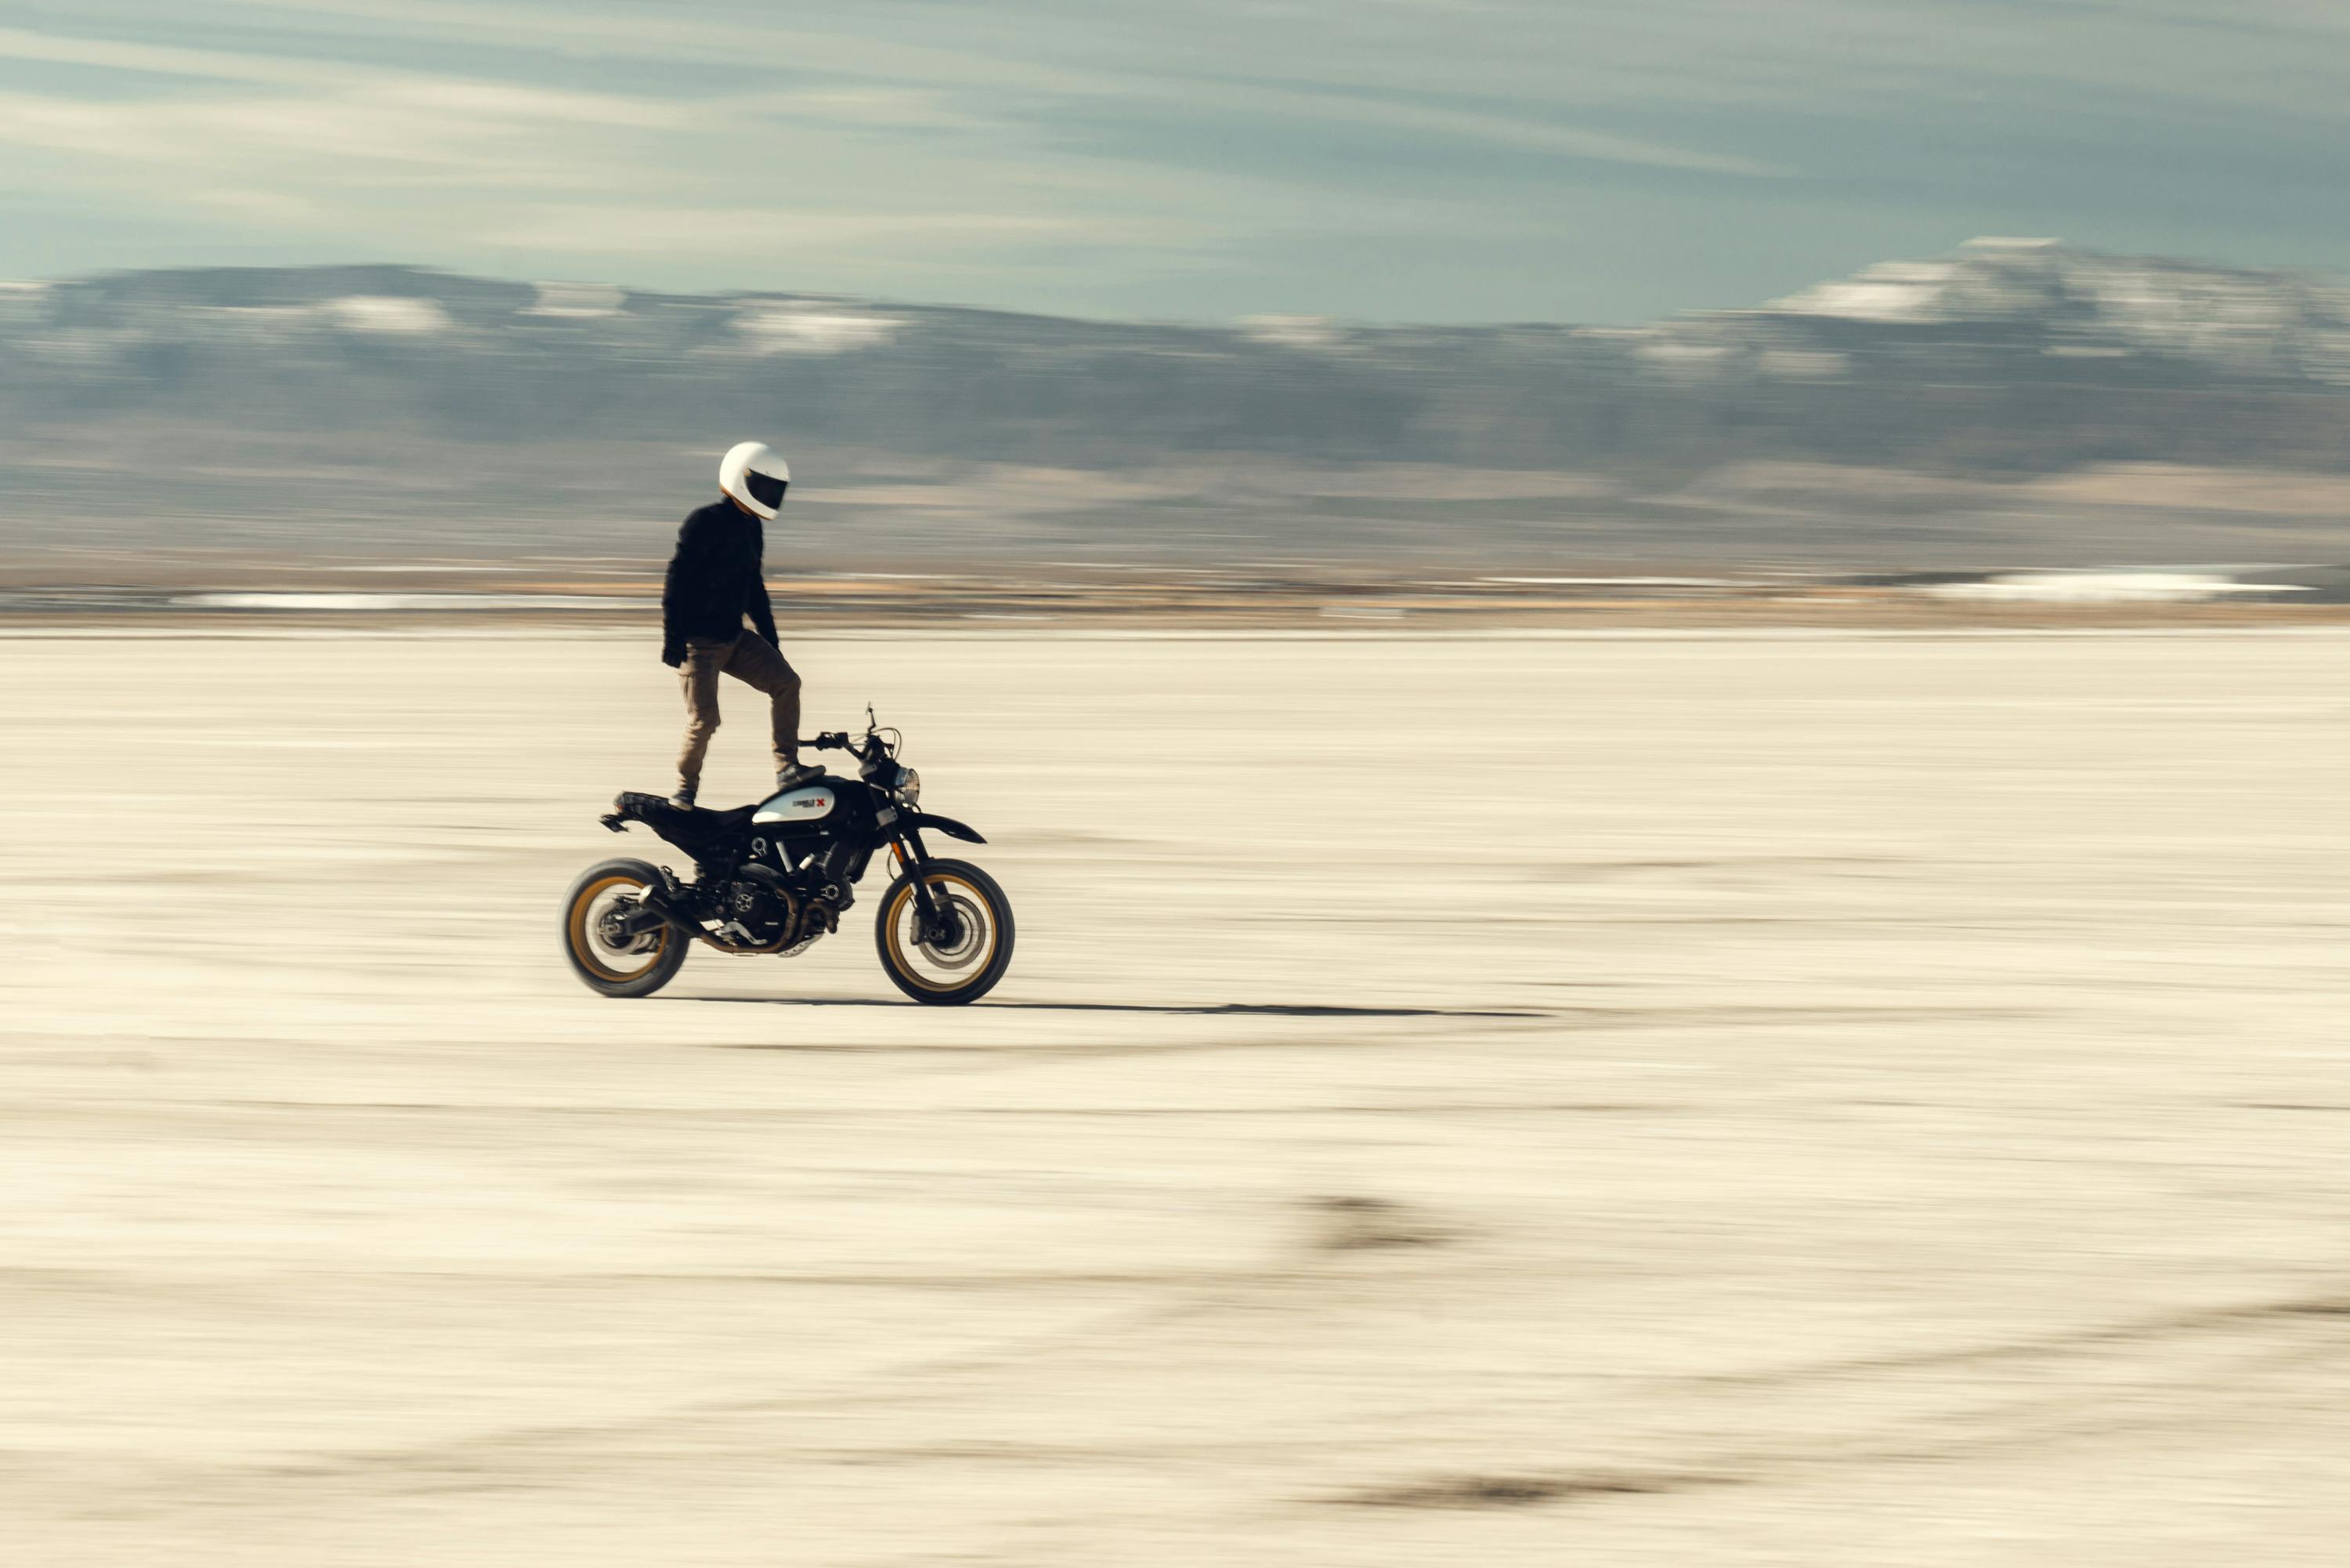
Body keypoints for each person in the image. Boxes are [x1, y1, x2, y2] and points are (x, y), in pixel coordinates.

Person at [659, 442, 818, 808]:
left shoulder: (752, 530)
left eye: (773, 488)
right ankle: (685, 790)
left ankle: (787, 768)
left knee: (787, 683)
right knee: (705, 720)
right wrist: (673, 639)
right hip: (697, 644)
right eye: (763, 485)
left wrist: (770, 638)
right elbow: (676, 580)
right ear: (739, 479)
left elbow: (753, 589)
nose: (769, 495)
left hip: (734, 638)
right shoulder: (704, 522)